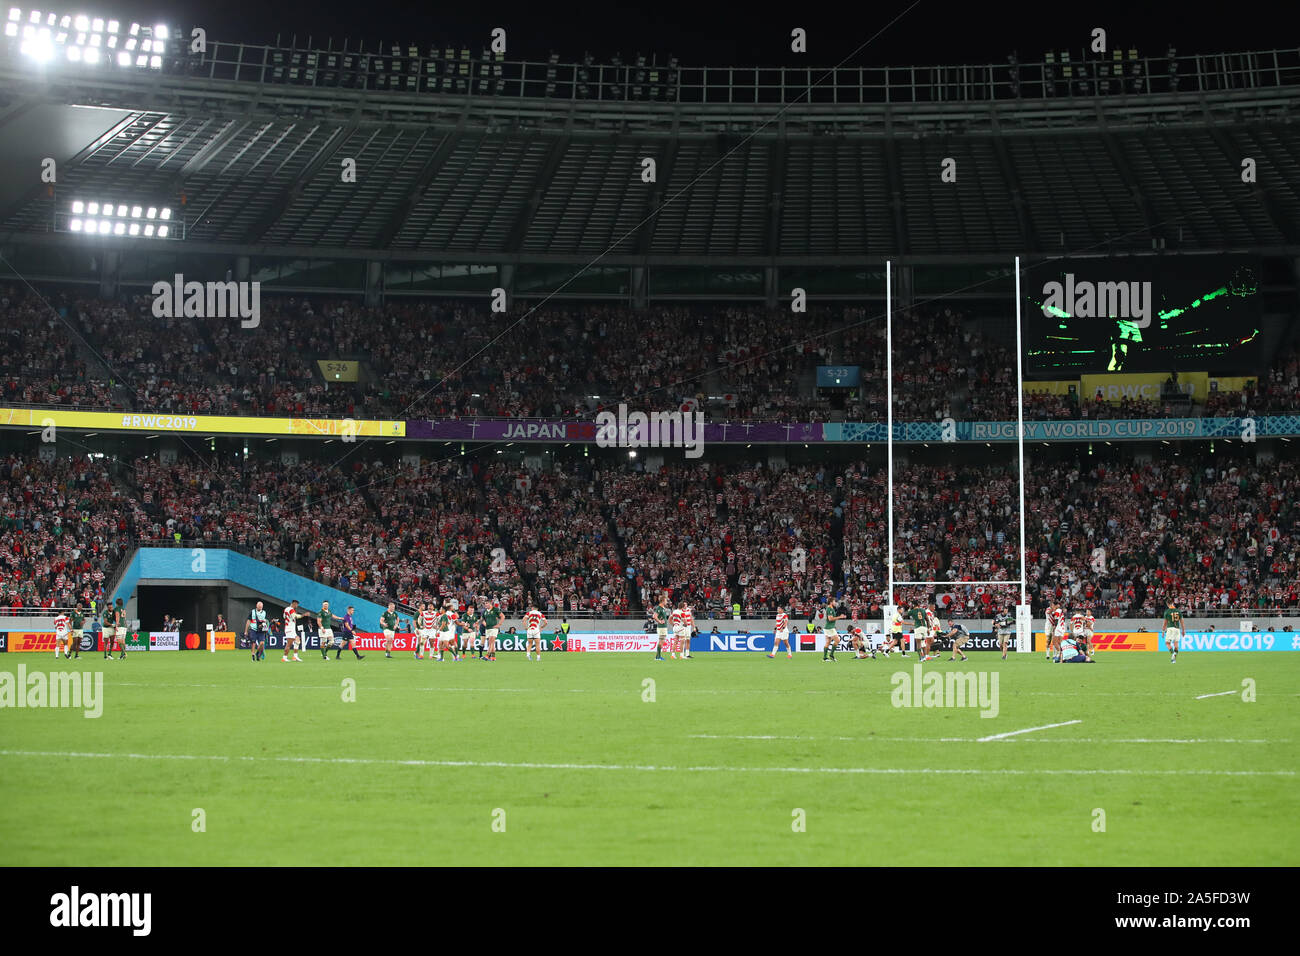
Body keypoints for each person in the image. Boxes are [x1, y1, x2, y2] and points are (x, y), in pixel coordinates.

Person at [1163, 599, 1183, 663]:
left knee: (1167, 643)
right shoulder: (1178, 611)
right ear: (1173, 603)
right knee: (1176, 643)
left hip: (1170, 628)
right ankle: (1174, 658)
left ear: (1167, 604)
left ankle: (1172, 653)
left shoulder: (1167, 612)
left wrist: (1163, 631)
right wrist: (1183, 630)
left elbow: (1165, 623)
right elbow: (1182, 622)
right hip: (1177, 629)